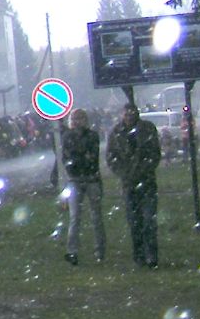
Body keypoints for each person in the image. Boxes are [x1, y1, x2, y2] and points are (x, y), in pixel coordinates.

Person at [105, 105, 161, 268]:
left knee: (149, 220)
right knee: (134, 221)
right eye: (126, 114)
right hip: (128, 183)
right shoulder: (116, 132)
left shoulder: (147, 129)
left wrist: (143, 169)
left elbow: (154, 153)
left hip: (147, 181)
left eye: (132, 113)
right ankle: (139, 255)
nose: (129, 116)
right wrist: (125, 172)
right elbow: (111, 156)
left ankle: (151, 256)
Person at [61, 109, 106, 265]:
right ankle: (72, 251)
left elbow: (92, 158)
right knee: (75, 218)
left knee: (96, 217)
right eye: (74, 118)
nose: (77, 121)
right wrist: (82, 157)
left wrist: (78, 157)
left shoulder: (92, 136)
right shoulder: (67, 136)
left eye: (80, 118)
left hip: (90, 178)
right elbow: (67, 159)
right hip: (75, 179)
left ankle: (100, 250)